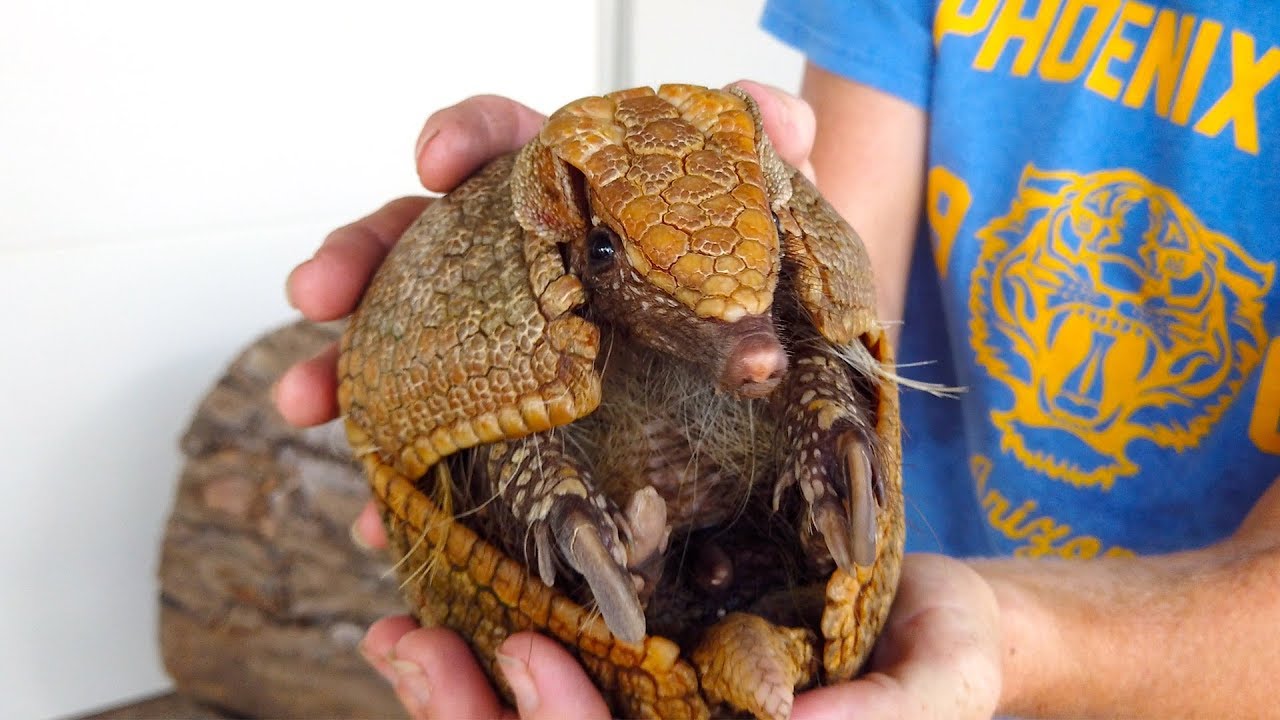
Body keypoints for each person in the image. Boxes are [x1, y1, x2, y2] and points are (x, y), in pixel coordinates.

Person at [275, 2, 1280, 717]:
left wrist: (1004, 643)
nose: (754, 354)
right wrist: (447, 283)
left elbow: (801, 342)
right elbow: (843, 301)